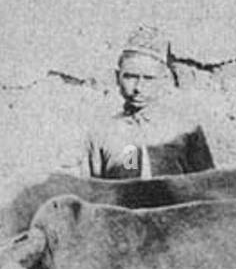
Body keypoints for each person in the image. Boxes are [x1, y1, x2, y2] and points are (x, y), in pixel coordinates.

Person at [82, 26, 215, 179]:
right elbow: (94, 192)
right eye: (130, 77)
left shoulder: (185, 130)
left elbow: (206, 189)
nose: (138, 87)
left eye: (148, 78)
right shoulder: (103, 133)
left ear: (163, 79)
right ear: (117, 77)